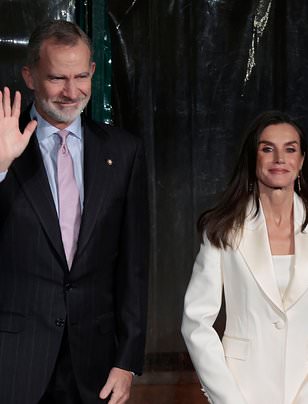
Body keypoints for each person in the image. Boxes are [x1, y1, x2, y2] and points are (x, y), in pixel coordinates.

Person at [0, 19, 148, 404]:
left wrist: (127, 360)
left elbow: (134, 264)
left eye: (81, 76)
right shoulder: (3, 143)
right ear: (29, 76)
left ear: (94, 72)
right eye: (57, 78)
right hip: (13, 361)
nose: (71, 92)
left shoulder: (123, 151)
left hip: (96, 365)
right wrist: (0, 166)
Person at [181, 111, 308, 404]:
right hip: (241, 390)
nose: (279, 158)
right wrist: (228, 397)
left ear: (301, 161)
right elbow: (196, 321)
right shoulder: (222, 229)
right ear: (253, 158)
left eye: (290, 149)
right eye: (267, 148)